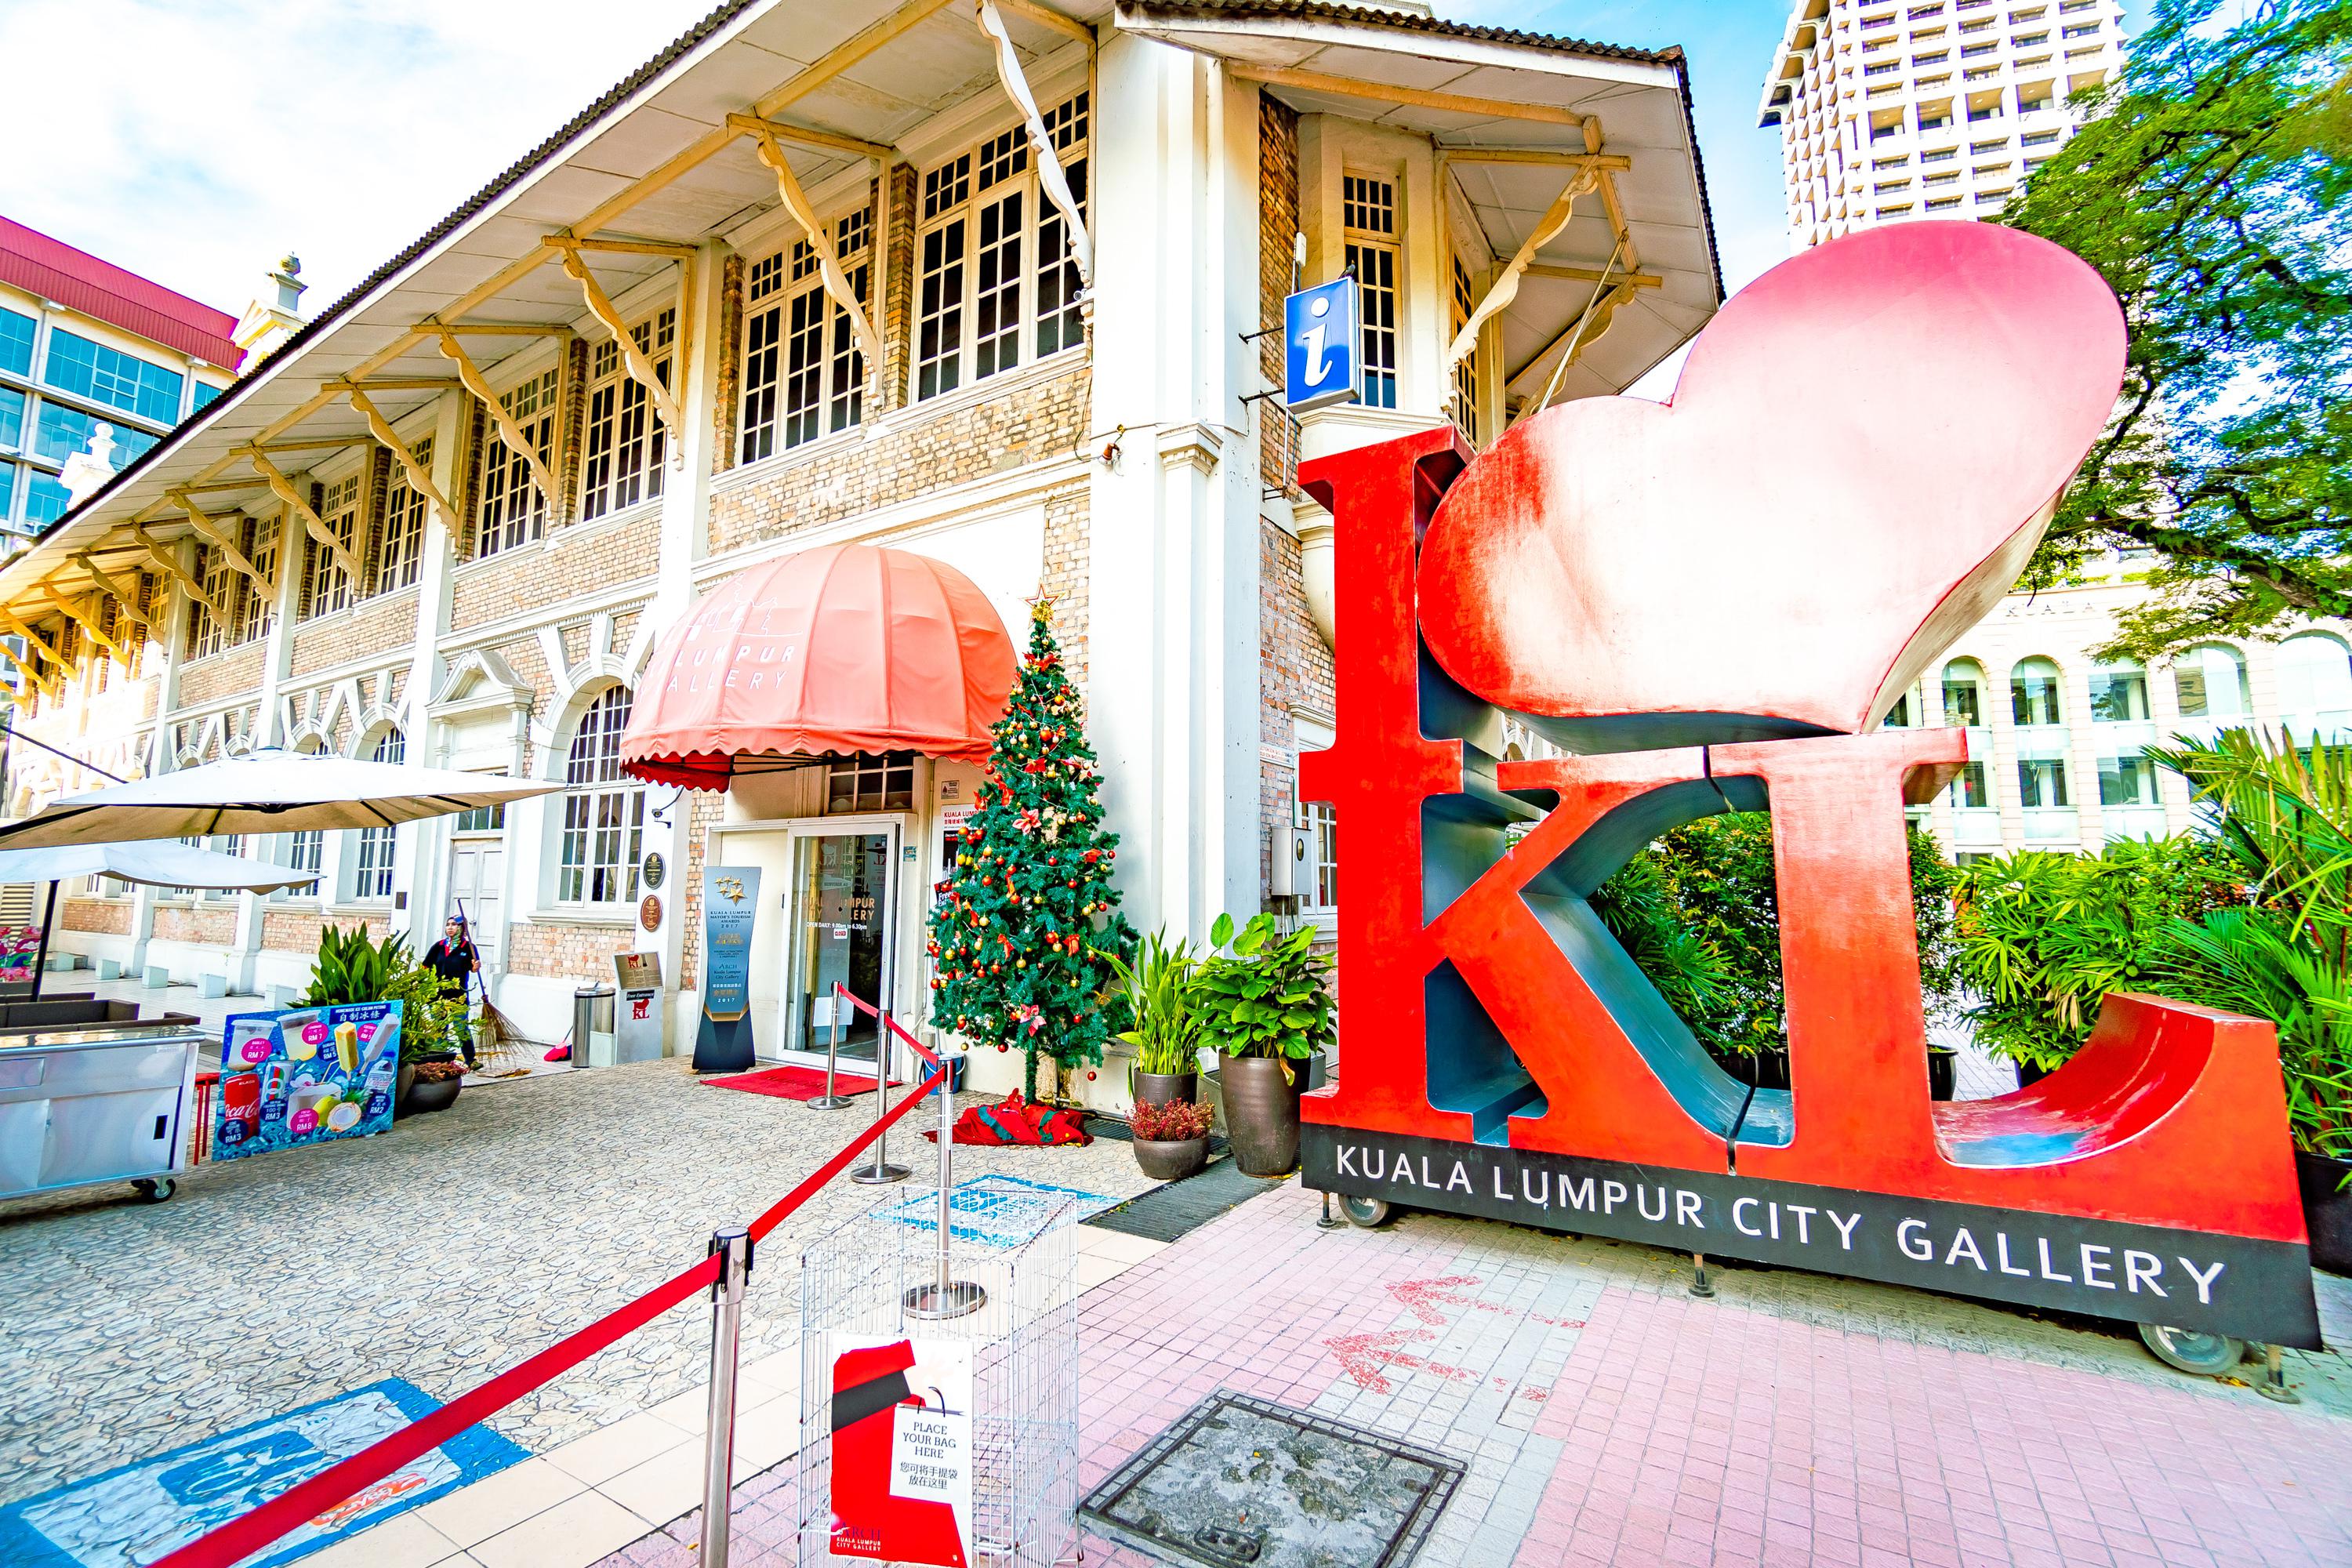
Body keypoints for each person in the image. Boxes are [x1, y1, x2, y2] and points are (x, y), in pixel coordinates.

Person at [423, 916, 482, 1067]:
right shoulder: (439, 946)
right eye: (448, 924)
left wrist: (476, 966)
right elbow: (425, 966)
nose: (450, 927)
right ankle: (441, 1060)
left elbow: (473, 968)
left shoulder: (468, 948)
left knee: (461, 1027)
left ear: (462, 928)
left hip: (458, 996)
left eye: (454, 925)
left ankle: (470, 1060)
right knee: (439, 1026)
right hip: (437, 995)